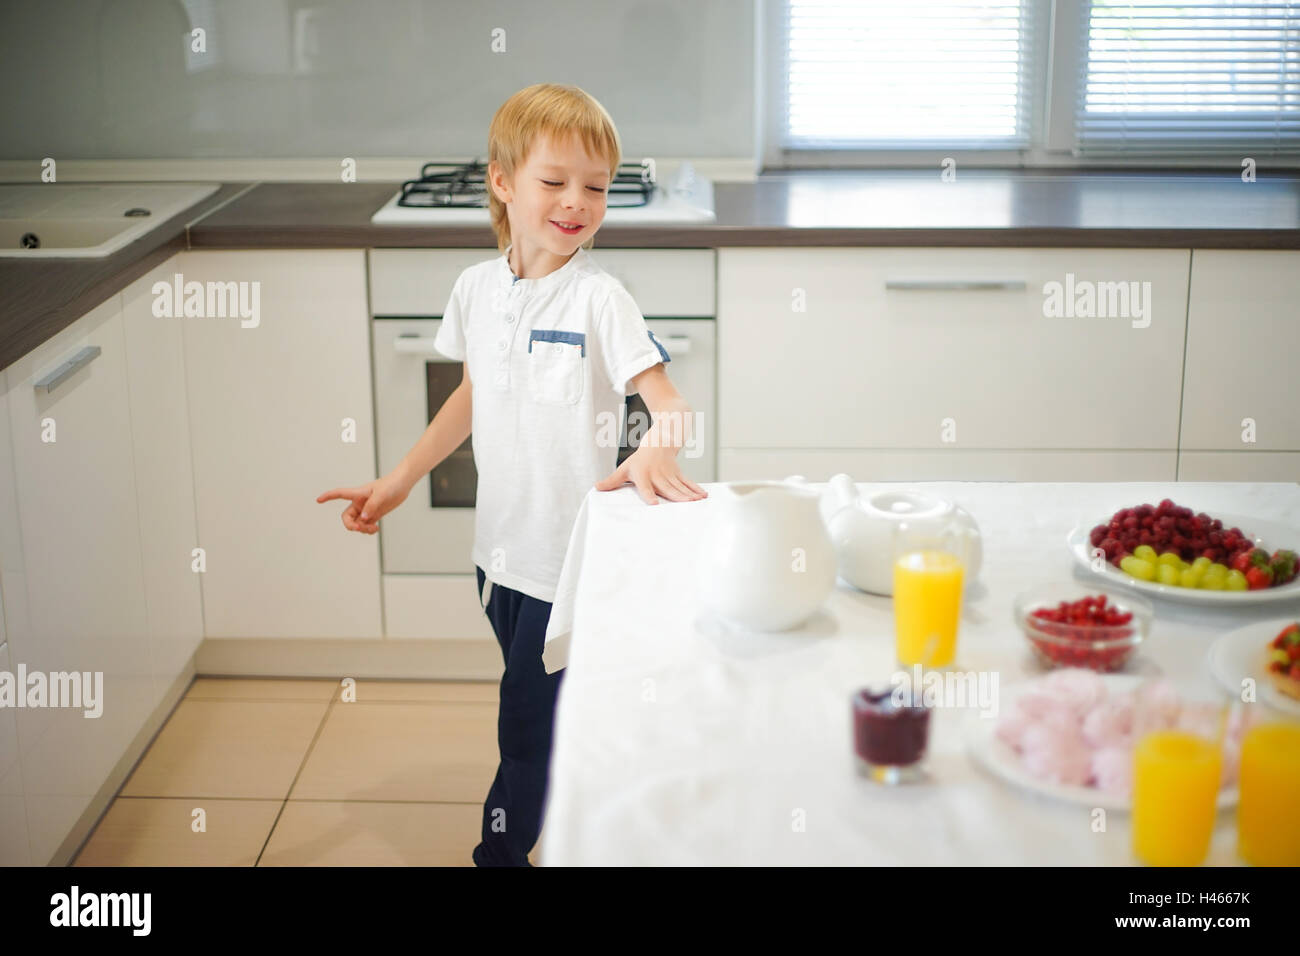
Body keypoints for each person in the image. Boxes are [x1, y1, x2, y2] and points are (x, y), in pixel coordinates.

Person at [317, 83, 707, 866]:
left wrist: (660, 443)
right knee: (551, 711)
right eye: (555, 181)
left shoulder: (601, 299)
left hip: (571, 566)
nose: (577, 203)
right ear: (502, 180)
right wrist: (396, 481)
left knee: (524, 724)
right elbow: (470, 397)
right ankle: (585, 824)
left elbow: (671, 405)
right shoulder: (475, 289)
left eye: (595, 187)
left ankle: (500, 853)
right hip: (498, 559)